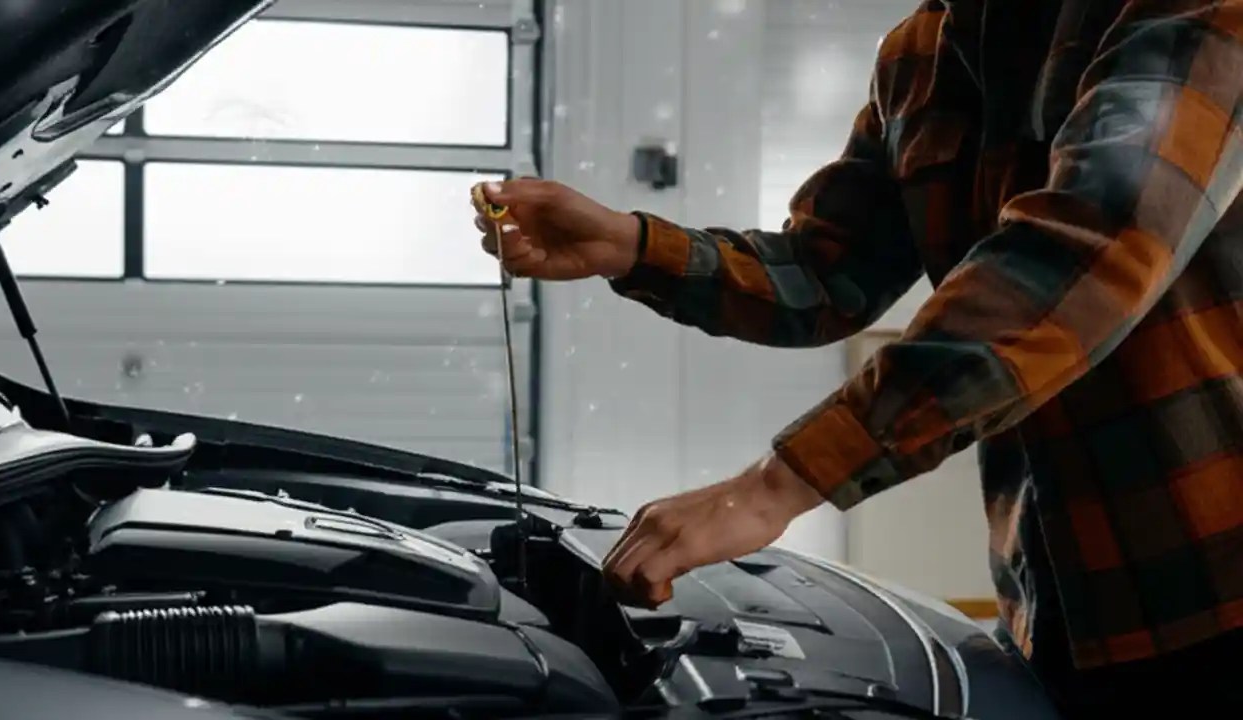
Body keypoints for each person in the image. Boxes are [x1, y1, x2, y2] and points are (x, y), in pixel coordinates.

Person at [472, 0, 1243, 715]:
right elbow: (825, 272)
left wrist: (775, 487)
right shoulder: (919, 53)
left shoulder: (1188, 11)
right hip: (1057, 599)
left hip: (1218, 586)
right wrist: (631, 245)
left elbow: (1088, 248)